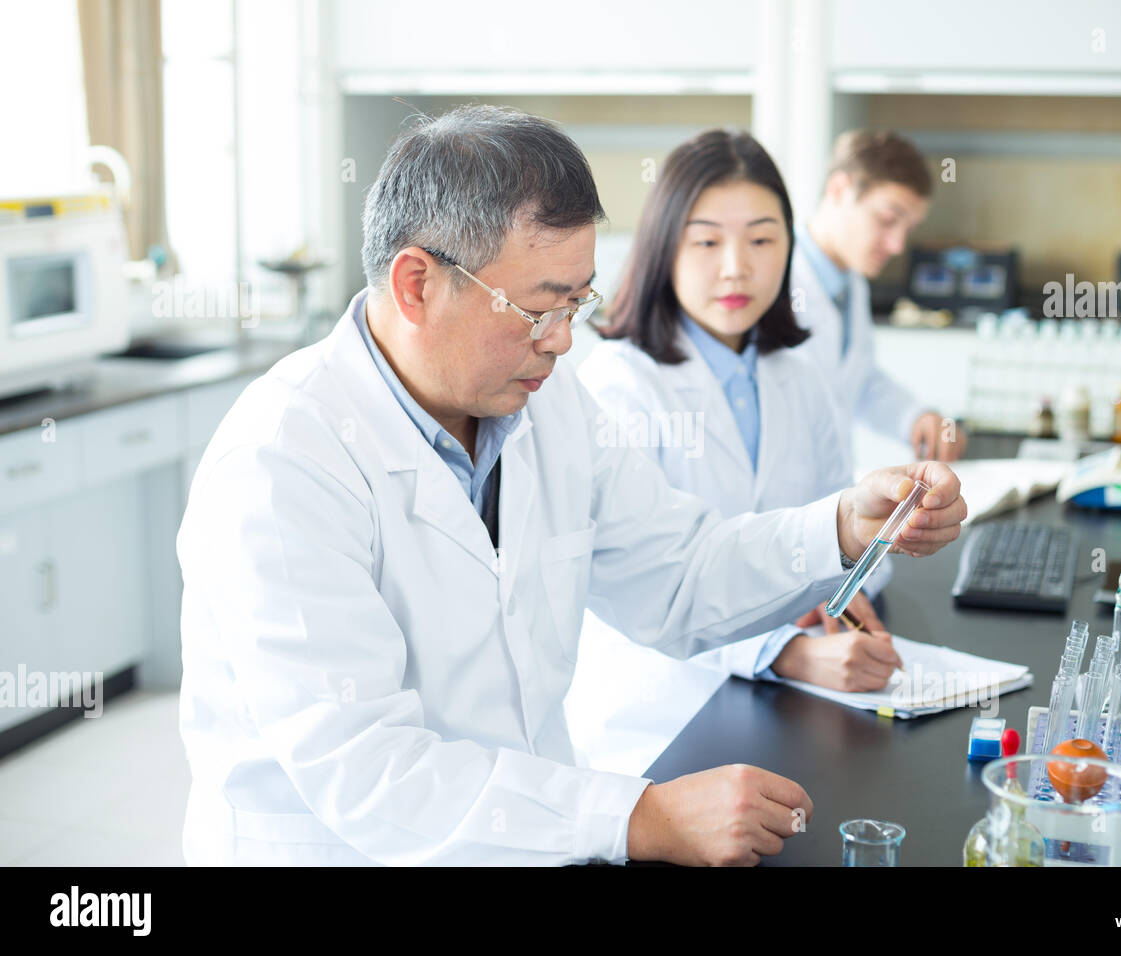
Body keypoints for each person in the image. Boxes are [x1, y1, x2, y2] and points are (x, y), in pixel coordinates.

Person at [176, 105, 965, 867]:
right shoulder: (283, 462)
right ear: (415, 284)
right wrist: (637, 815)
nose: (561, 342)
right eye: (537, 309)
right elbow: (369, 770)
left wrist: (843, 526)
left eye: (577, 303)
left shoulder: (545, 408)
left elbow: (679, 572)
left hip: (533, 833)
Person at [565, 129, 904, 777]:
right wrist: (782, 650)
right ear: (665, 247)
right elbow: (634, 590)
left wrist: (841, 592)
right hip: (659, 728)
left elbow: (839, 524)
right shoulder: (618, 386)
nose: (735, 267)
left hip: (788, 711)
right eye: (707, 241)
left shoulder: (798, 376)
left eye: (761, 239)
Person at [794, 129, 969, 463]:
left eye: (908, 228)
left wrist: (916, 418)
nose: (897, 245)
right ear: (839, 190)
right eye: (888, 220)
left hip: (829, 499)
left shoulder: (852, 282)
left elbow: (857, 382)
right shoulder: (774, 281)